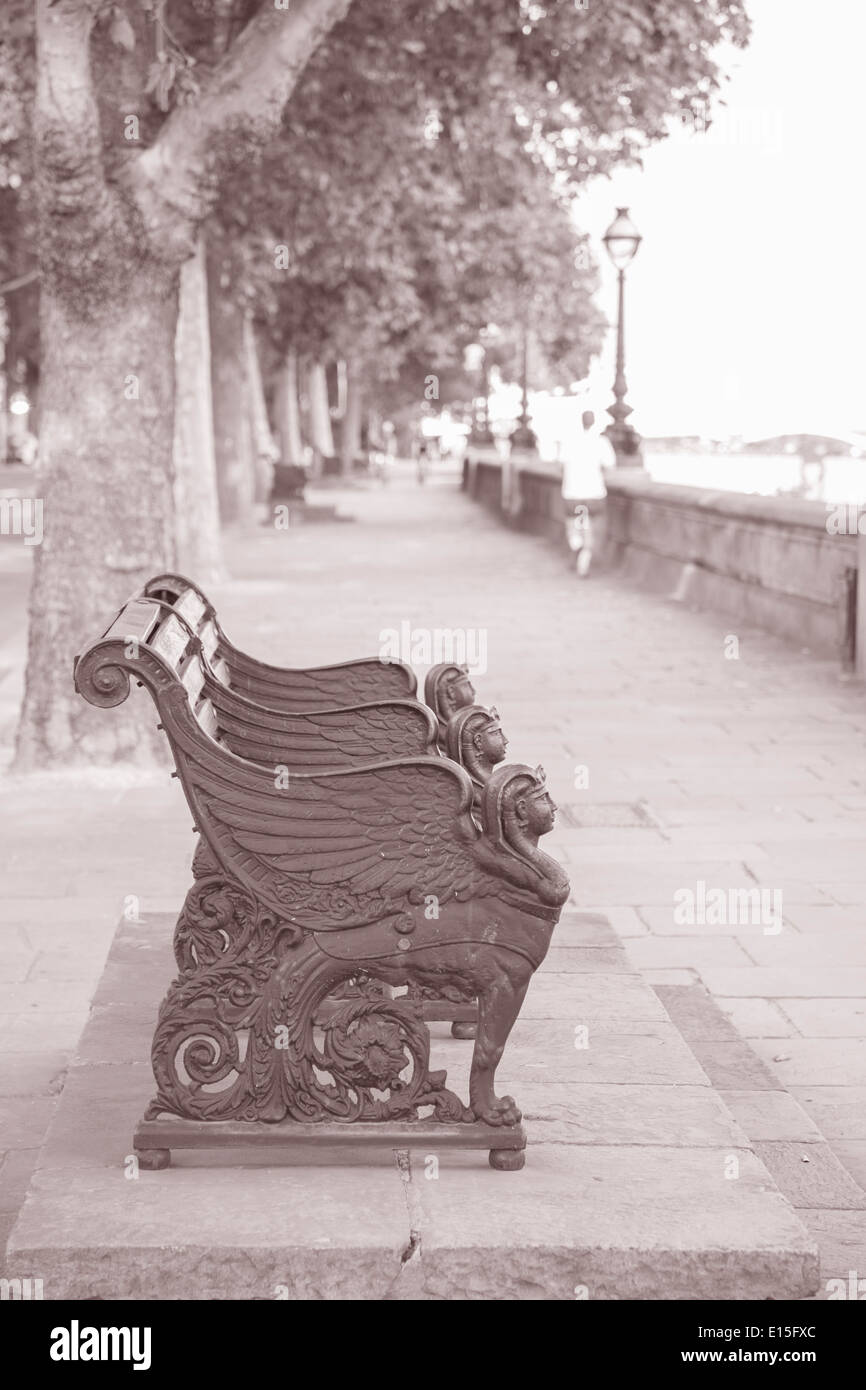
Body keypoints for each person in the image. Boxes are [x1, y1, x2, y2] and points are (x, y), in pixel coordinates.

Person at [560, 410, 615, 576]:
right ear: (593, 422)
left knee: (575, 524)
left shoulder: (568, 442)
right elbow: (609, 466)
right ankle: (585, 553)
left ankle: (576, 546)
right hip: (594, 494)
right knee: (591, 526)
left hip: (572, 495)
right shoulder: (601, 442)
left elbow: (561, 467)